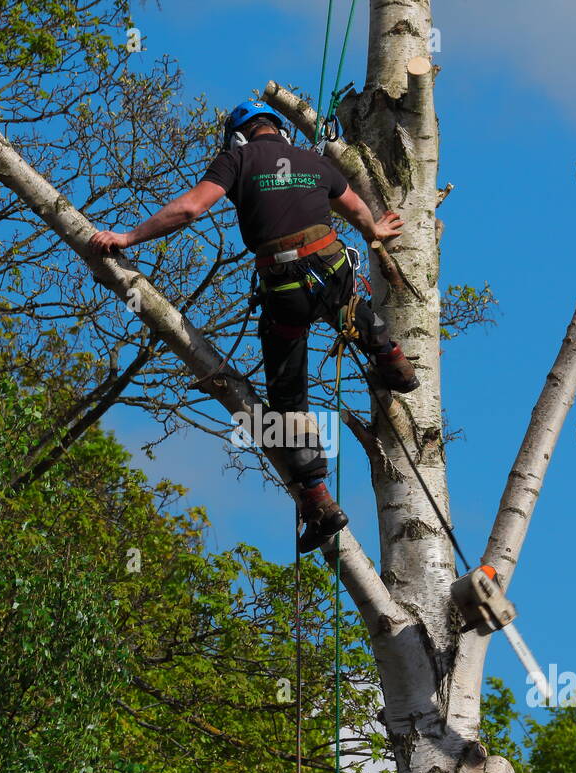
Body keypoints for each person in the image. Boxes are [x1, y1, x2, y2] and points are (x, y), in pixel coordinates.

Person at [88, 99, 418, 552]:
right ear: (281, 131)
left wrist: (127, 237)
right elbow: (356, 206)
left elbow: (190, 209)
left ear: (238, 136)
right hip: (331, 265)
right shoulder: (314, 160)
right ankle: (392, 359)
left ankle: (319, 501)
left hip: (286, 289)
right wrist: (374, 232)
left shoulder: (237, 158)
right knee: (347, 304)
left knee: (288, 398)